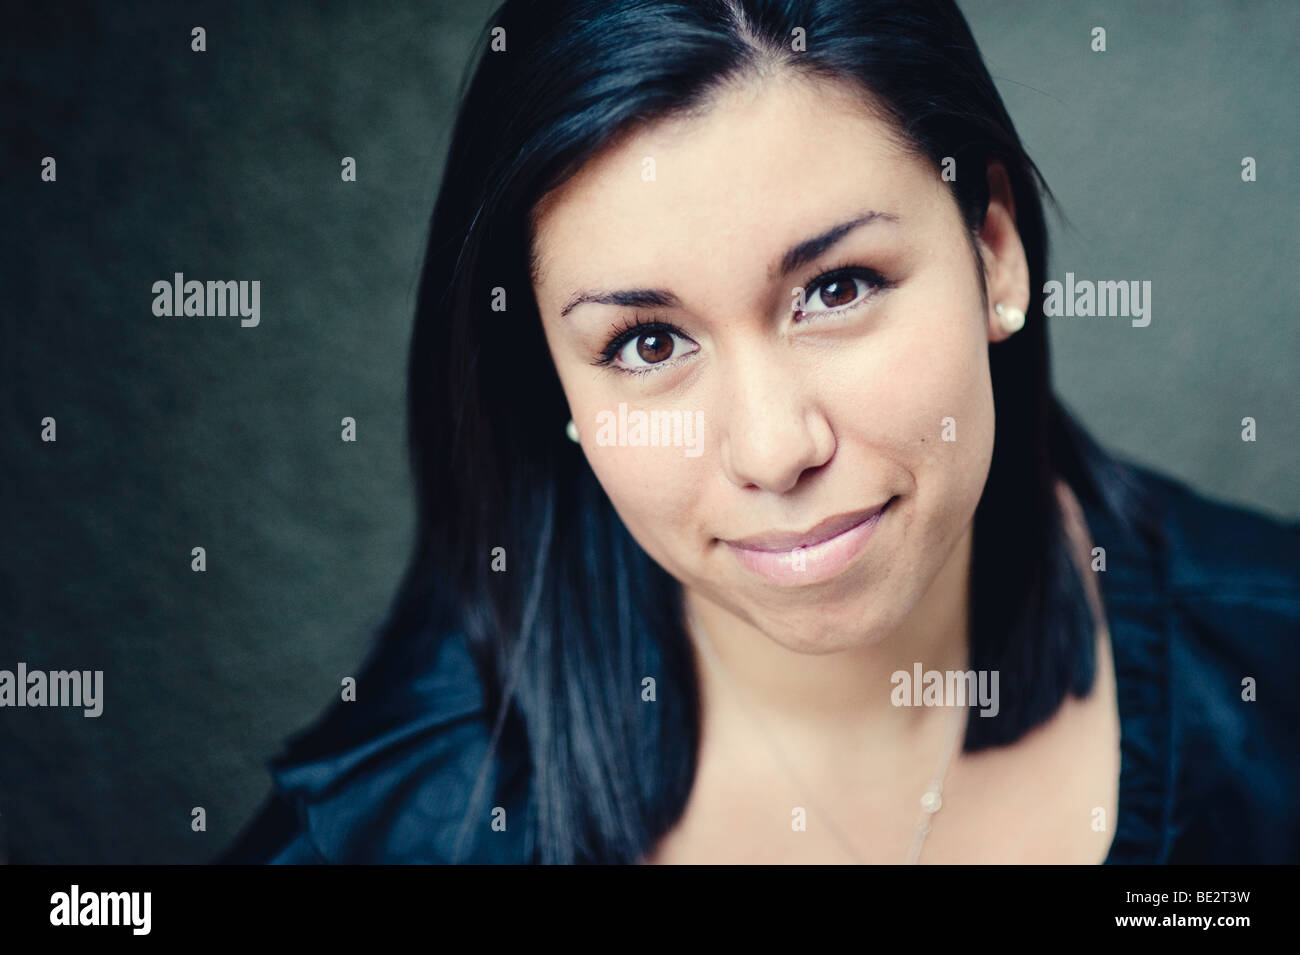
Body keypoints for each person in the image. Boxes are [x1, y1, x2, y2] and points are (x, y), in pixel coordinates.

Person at [219, 0, 1299, 865]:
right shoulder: (399, 821)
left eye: (835, 287)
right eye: (646, 345)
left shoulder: (1272, 664)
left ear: (994, 253)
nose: (775, 449)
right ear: (550, 383)